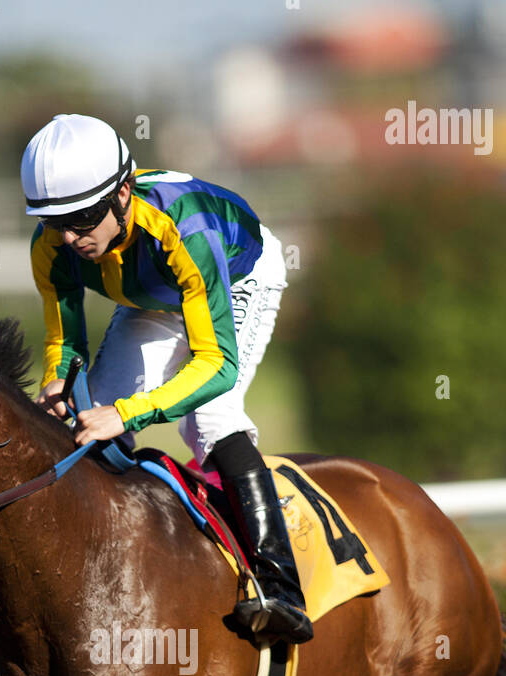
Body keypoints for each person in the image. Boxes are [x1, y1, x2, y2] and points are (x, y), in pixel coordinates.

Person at [21, 113, 312, 644]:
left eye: (83, 217)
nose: (69, 237)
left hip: (234, 274)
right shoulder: (52, 249)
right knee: (85, 423)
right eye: (52, 220)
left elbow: (217, 365)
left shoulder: (183, 228)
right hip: (153, 299)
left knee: (210, 419)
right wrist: (58, 382)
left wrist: (130, 412)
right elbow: (65, 343)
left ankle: (279, 585)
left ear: (124, 193)